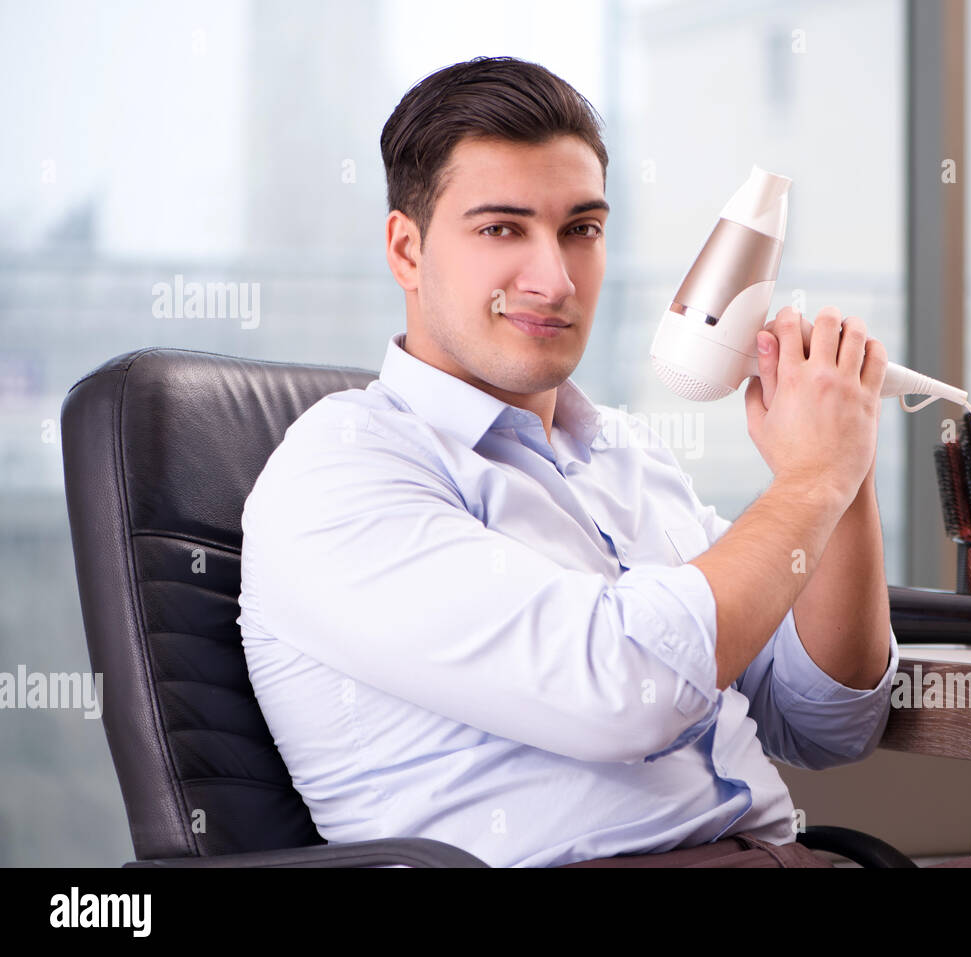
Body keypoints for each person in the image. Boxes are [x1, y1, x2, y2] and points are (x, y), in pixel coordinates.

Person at [236, 55, 898, 869]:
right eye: (501, 228)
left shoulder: (624, 456)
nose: (554, 278)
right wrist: (811, 480)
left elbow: (826, 721)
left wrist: (845, 455)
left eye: (580, 229)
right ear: (406, 251)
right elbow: (625, 691)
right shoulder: (338, 473)